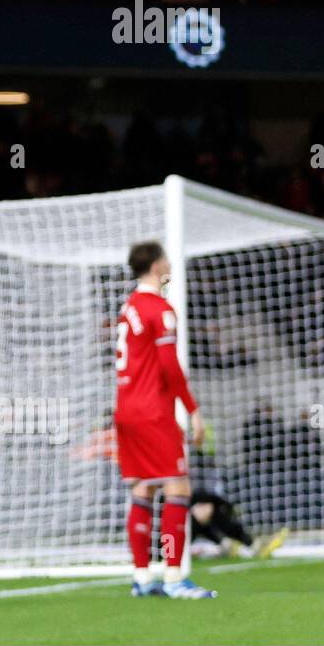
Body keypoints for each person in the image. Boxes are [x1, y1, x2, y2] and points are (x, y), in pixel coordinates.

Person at [115, 241, 216, 599]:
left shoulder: (128, 308)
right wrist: (192, 409)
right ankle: (174, 576)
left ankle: (142, 578)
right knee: (178, 488)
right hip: (153, 411)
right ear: (157, 265)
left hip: (125, 409)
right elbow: (169, 367)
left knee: (144, 488)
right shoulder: (161, 309)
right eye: (167, 259)